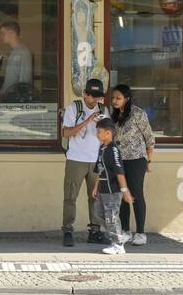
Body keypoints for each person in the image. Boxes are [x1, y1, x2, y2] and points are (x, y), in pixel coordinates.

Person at [59, 77, 109, 247]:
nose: (95, 99)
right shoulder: (74, 108)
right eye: (92, 95)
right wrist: (88, 121)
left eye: (98, 96)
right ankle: (67, 230)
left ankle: (95, 231)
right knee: (70, 197)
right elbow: (66, 133)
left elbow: (107, 135)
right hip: (76, 159)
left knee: (95, 197)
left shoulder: (103, 109)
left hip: (96, 159)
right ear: (85, 94)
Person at [111, 83, 155, 245]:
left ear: (127, 99)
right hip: (119, 160)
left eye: (118, 98)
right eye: (113, 98)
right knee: (123, 194)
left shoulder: (137, 113)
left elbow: (149, 138)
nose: (115, 101)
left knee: (136, 194)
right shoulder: (114, 115)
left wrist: (148, 160)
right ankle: (125, 231)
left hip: (137, 159)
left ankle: (141, 233)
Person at [91, 117, 133, 255]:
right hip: (102, 190)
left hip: (112, 191)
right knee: (98, 213)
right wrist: (96, 186)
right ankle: (118, 236)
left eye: (99, 131)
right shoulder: (102, 147)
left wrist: (124, 190)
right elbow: (99, 169)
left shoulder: (113, 150)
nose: (97, 134)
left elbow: (119, 172)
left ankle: (118, 244)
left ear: (108, 133)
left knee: (111, 217)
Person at [0, 20, 34, 101]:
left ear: (12, 33)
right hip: (9, 96)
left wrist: (20, 100)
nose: (1, 36)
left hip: (15, 98)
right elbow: (10, 77)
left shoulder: (23, 52)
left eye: (3, 33)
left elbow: (25, 79)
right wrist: (3, 92)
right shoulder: (14, 52)